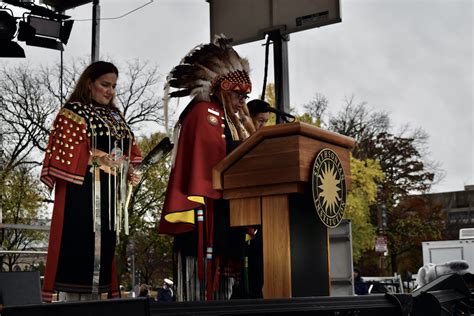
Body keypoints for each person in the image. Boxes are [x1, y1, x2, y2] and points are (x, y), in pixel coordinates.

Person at [158, 35, 256, 301]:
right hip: (206, 219)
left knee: (222, 290)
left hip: (224, 218)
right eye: (237, 94)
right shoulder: (205, 113)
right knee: (201, 293)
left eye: (245, 96)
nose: (241, 101)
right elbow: (212, 159)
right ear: (223, 88)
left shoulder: (226, 117)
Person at [40, 61, 142, 302]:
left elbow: (129, 152)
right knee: (81, 250)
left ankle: (97, 304)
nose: (110, 91)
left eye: (114, 86)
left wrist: (130, 170)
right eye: (105, 85)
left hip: (108, 198)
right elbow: (66, 155)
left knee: (104, 250)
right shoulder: (72, 112)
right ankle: (73, 304)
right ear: (89, 84)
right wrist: (97, 157)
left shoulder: (116, 116)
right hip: (81, 195)